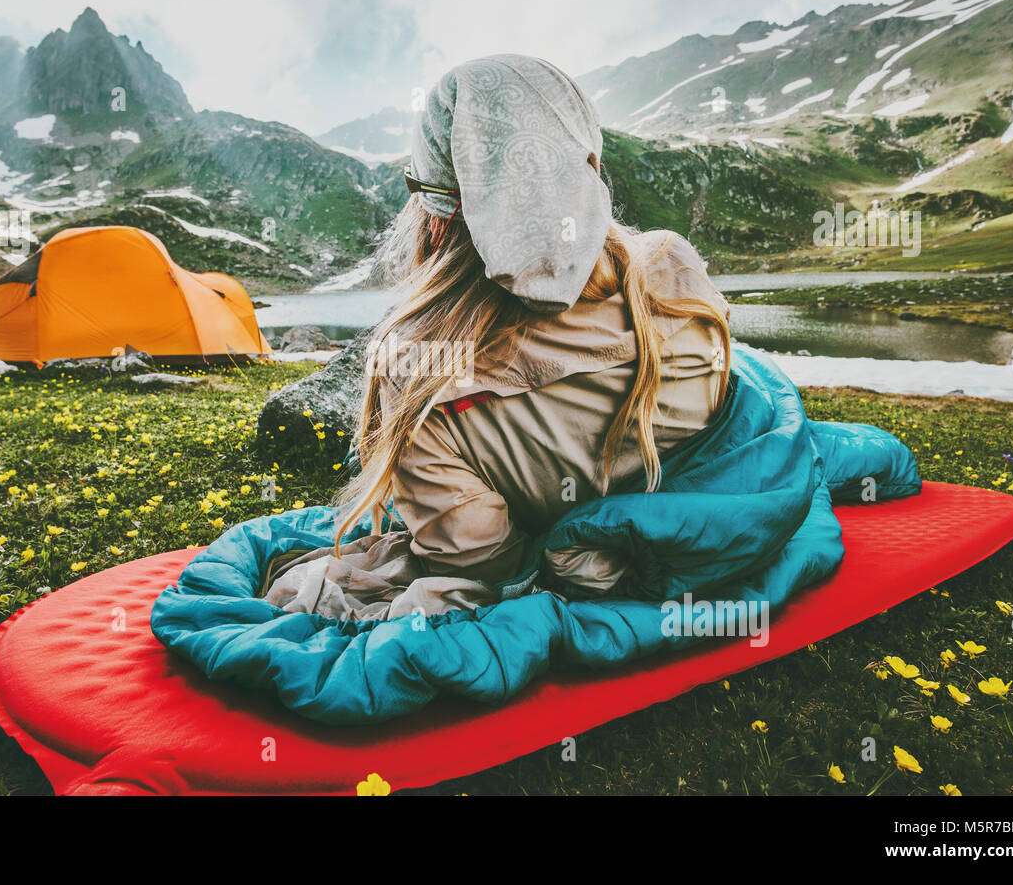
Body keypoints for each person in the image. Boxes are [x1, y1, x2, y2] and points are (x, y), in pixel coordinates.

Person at [264, 54, 732, 622]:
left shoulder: (415, 374)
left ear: (440, 203)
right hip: (698, 539)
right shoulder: (673, 266)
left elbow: (482, 560)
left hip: (562, 574)